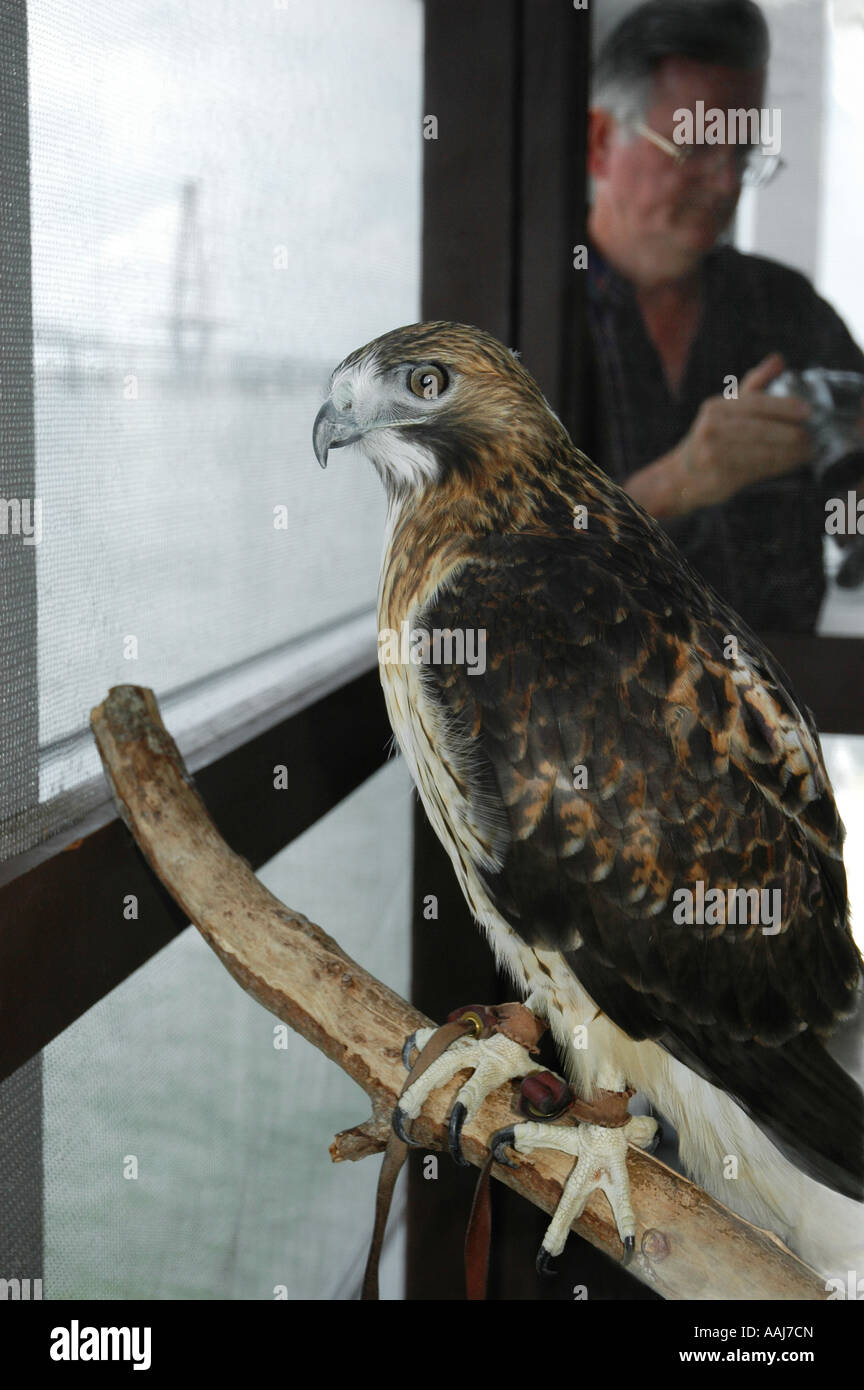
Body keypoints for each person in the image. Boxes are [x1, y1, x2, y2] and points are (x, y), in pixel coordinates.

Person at [585, 0, 864, 633]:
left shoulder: (787, 310)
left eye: (740, 153)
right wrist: (675, 484)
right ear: (601, 142)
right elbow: (482, 574)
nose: (724, 183)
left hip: (772, 720)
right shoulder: (518, 316)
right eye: (694, 146)